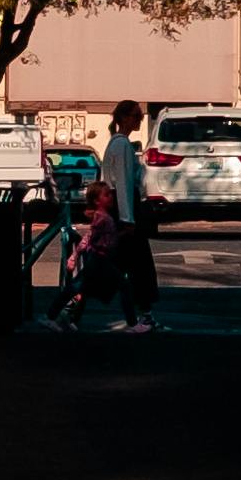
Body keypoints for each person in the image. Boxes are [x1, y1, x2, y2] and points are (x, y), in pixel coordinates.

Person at [97, 96, 160, 333]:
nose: (139, 120)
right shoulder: (122, 145)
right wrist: (128, 218)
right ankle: (145, 316)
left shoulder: (116, 143)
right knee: (140, 265)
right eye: (136, 116)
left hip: (119, 210)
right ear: (124, 118)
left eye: (140, 117)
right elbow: (122, 183)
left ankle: (71, 308)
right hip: (124, 212)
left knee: (112, 264)